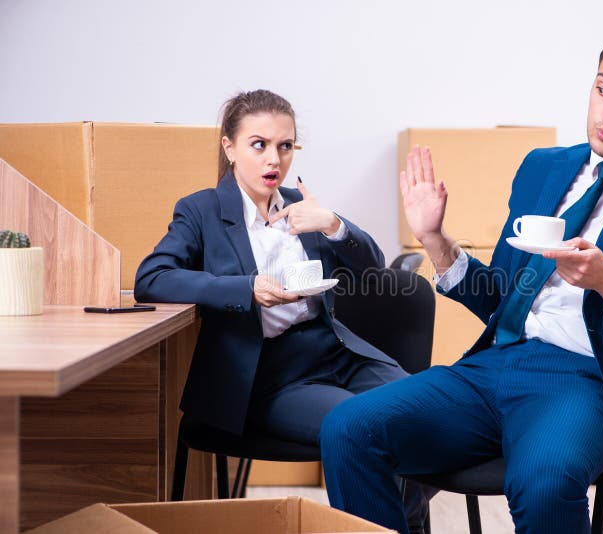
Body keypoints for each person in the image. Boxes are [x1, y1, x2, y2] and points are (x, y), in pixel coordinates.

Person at [320, 29, 603, 534]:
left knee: (544, 482)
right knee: (349, 428)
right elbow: (503, 299)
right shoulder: (544, 168)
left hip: (592, 380)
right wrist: (434, 238)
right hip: (496, 365)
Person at [134, 89, 412, 459]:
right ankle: (381, 499)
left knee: (425, 412)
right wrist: (246, 288)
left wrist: (332, 224)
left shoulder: (301, 205)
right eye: (259, 145)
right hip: (267, 374)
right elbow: (151, 278)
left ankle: (408, 501)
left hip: (333, 350)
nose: (274, 159)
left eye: (285, 146)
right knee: (366, 427)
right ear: (230, 148)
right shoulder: (202, 210)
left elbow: (373, 270)